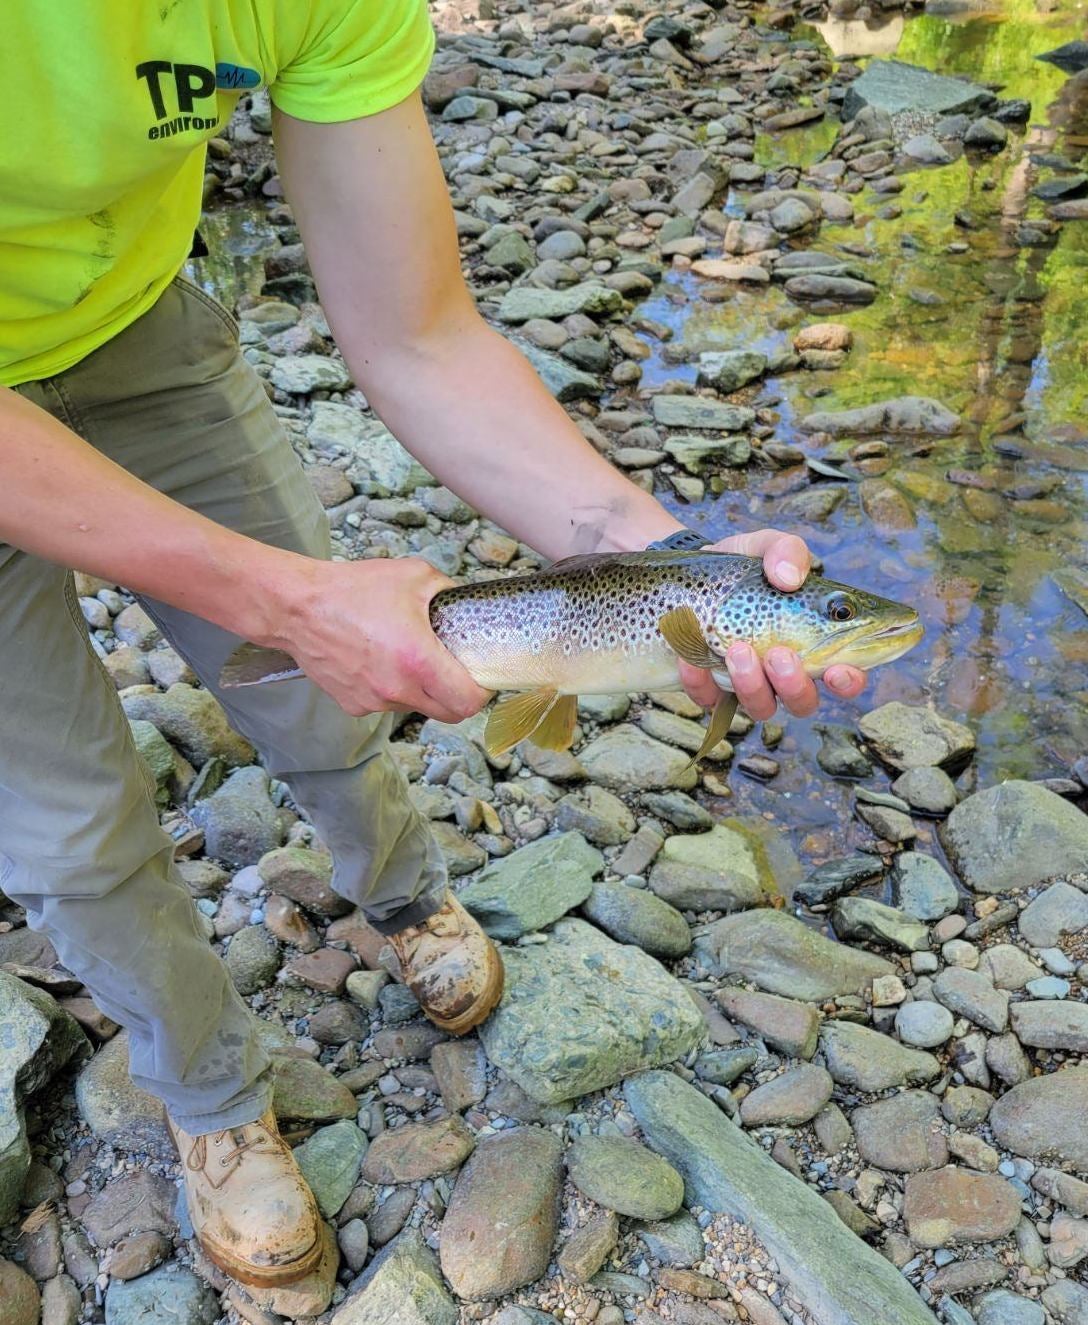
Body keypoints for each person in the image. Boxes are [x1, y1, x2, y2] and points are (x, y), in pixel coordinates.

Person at [1, 0, 868, 1289]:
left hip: (135, 328)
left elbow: (422, 333)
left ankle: (403, 892)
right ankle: (212, 1101)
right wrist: (282, 599)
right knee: (67, 830)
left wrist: (670, 551)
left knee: (333, 703)